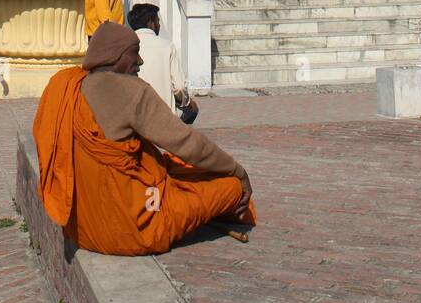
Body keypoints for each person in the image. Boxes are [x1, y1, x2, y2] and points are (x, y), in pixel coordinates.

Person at [33, 22, 255, 256]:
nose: (139, 61)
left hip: (83, 228)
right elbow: (187, 144)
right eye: (134, 53)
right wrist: (238, 171)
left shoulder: (66, 85)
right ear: (116, 56)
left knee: (181, 169)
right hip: (133, 228)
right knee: (230, 187)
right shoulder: (131, 90)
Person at [128, 3, 197, 121]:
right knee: (192, 111)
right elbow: (179, 87)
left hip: (136, 118)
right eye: (158, 20)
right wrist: (187, 102)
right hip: (165, 119)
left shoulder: (126, 46)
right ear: (151, 22)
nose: (159, 25)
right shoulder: (167, 46)